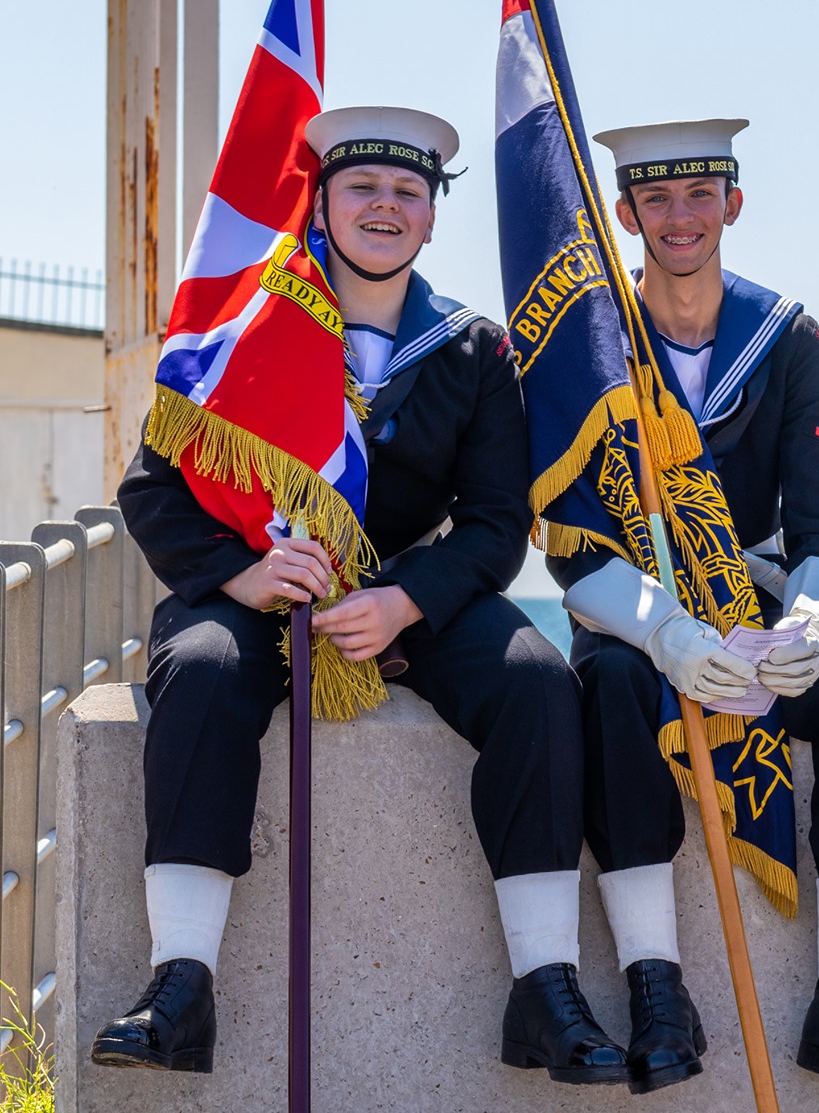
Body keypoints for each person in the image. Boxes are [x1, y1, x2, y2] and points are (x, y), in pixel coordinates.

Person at [95, 108, 624, 1084]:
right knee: (204, 673)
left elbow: (496, 522)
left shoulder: (473, 351)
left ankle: (544, 991)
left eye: (407, 193)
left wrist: (405, 603)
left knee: (538, 685)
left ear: (430, 217)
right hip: (260, 584)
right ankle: (181, 983)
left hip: (403, 597)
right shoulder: (244, 328)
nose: (386, 206)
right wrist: (240, 574)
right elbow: (149, 488)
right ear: (319, 202)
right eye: (363, 188)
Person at [557, 118, 819, 1103]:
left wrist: (810, 627)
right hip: (638, 615)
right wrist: (668, 634)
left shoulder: (787, 337)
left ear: (732, 203)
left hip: (763, 612)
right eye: (655, 200)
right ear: (624, 212)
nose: (678, 219)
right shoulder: (587, 347)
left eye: (698, 197)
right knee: (603, 687)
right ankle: (655, 987)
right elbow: (574, 550)